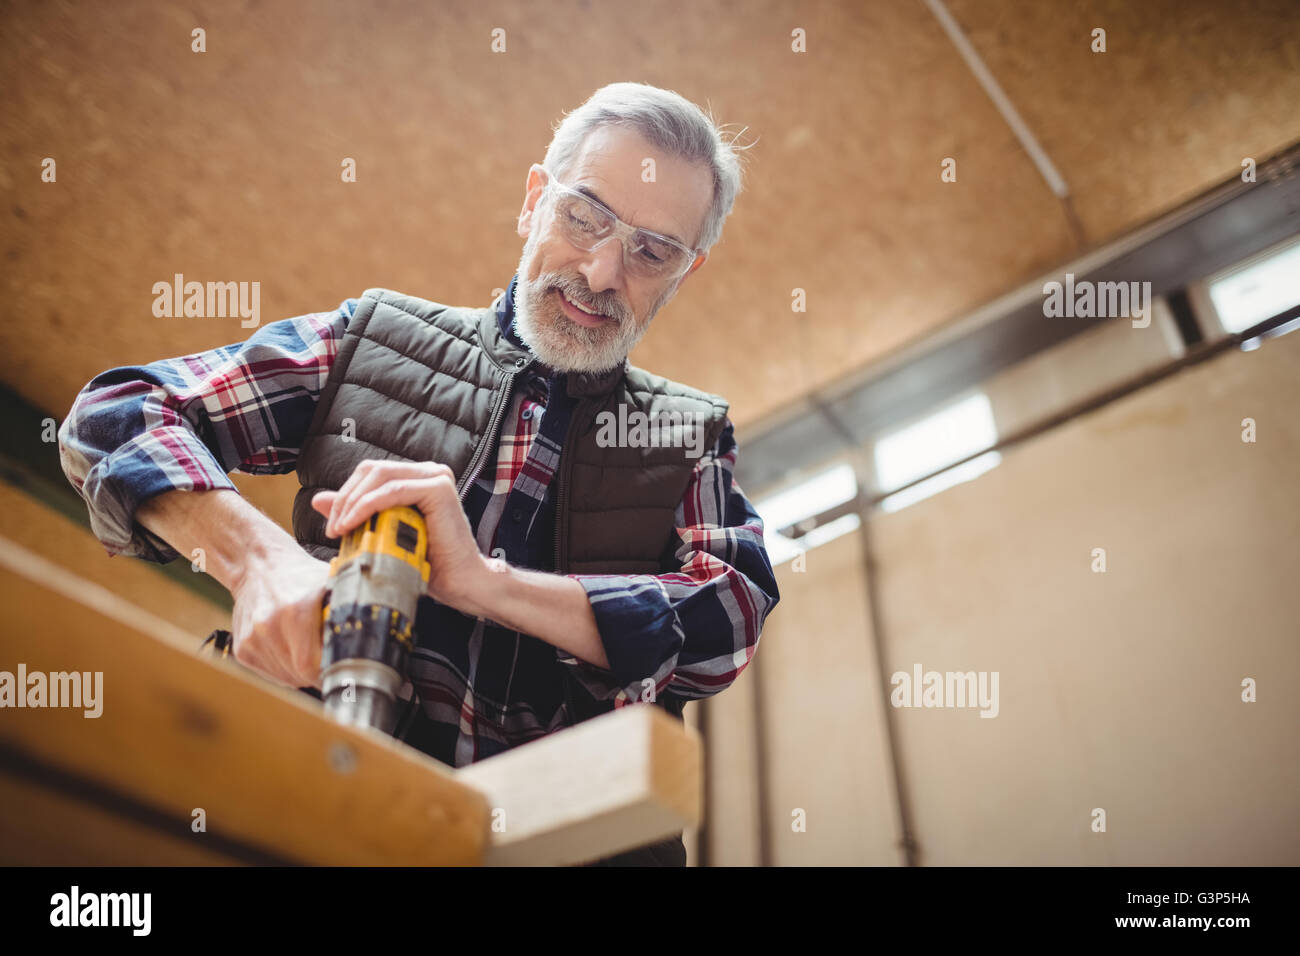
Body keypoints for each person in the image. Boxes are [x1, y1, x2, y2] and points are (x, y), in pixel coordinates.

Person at [58, 81, 779, 866]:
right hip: (314, 815)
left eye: (652, 251)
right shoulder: (372, 341)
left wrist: (485, 582)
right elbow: (120, 414)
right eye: (585, 216)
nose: (605, 271)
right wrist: (258, 563)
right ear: (534, 199)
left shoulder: (687, 434)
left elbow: (731, 609)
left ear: (686, 270)